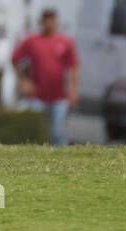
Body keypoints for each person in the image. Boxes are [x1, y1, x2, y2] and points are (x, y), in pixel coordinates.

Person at [11, 9, 80, 146]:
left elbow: (73, 67)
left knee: (57, 132)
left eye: (52, 21)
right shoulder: (32, 41)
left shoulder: (65, 42)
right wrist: (24, 81)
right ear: (42, 22)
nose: (49, 24)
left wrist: (73, 90)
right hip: (38, 96)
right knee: (38, 132)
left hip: (59, 96)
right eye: (46, 21)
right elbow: (15, 59)